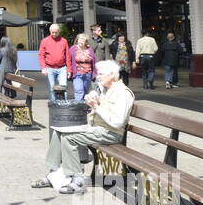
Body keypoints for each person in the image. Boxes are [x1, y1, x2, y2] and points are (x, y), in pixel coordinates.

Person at [32, 60, 133, 194]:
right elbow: (97, 95)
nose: (98, 76)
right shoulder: (106, 89)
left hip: (111, 133)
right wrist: (92, 96)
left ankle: (78, 181)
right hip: (97, 129)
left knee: (69, 138)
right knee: (58, 132)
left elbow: (117, 122)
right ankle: (54, 174)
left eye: (101, 74)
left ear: (112, 75)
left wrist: (96, 106)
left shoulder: (123, 93)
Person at [38, 23, 70, 97]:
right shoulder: (45, 41)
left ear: (59, 31)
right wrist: (43, 68)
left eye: (56, 32)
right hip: (49, 68)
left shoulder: (64, 41)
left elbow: (67, 56)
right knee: (52, 89)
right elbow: (41, 55)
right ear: (50, 31)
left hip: (62, 68)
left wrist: (69, 69)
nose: (54, 34)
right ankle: (53, 106)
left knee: (63, 88)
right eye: (52, 32)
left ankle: (64, 106)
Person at [68, 33, 96, 101]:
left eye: (83, 40)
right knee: (79, 90)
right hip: (77, 74)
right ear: (77, 40)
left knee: (85, 92)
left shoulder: (89, 49)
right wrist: (69, 71)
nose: (81, 41)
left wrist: (96, 73)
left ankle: (83, 107)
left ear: (86, 42)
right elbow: (68, 60)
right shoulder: (73, 49)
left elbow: (94, 60)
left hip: (88, 74)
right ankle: (78, 107)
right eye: (80, 39)